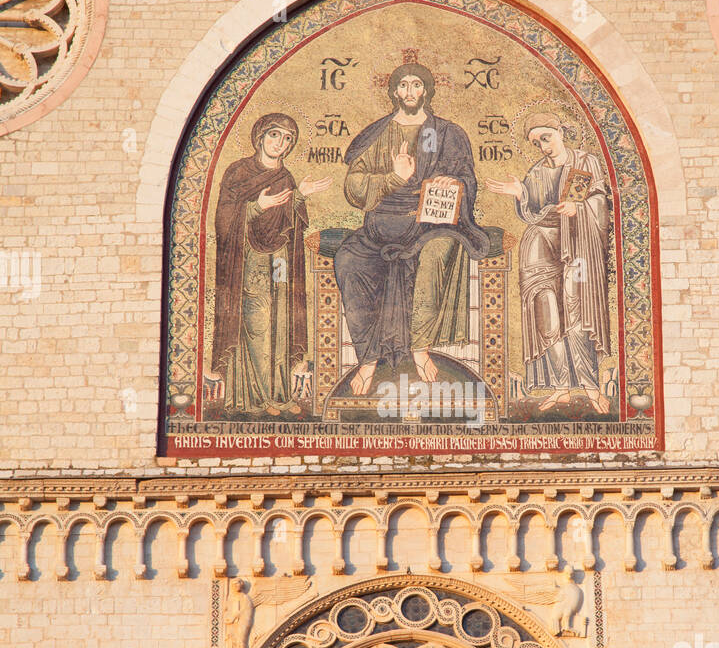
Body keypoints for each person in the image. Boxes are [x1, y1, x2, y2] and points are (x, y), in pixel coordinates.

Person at [335, 62, 488, 395]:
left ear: (426, 91)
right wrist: (394, 179)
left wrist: (454, 183)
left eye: (416, 85)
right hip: (379, 226)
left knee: (433, 255)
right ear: (393, 91)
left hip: (428, 224)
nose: (409, 92)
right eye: (403, 86)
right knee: (348, 260)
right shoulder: (377, 133)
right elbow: (354, 185)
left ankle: (420, 349)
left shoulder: (447, 133)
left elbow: (467, 179)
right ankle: (368, 359)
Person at [487, 111, 611, 414]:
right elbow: (532, 215)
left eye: (547, 137)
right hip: (540, 244)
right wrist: (520, 194)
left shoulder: (584, 163)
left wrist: (578, 206)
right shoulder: (538, 172)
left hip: (576, 242)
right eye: (536, 142)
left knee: (575, 308)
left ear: (561, 133)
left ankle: (591, 387)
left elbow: (600, 199)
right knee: (547, 315)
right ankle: (561, 387)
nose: (543, 146)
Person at [208, 113, 330, 415]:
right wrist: (254, 207)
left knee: (281, 325)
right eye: (275, 135)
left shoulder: (285, 177)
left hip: (281, 260)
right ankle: (254, 399)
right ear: (260, 137)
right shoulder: (238, 173)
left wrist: (300, 195)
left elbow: (287, 219)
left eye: (288, 139)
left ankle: (279, 395)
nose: (281, 143)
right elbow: (224, 221)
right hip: (250, 261)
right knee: (257, 326)